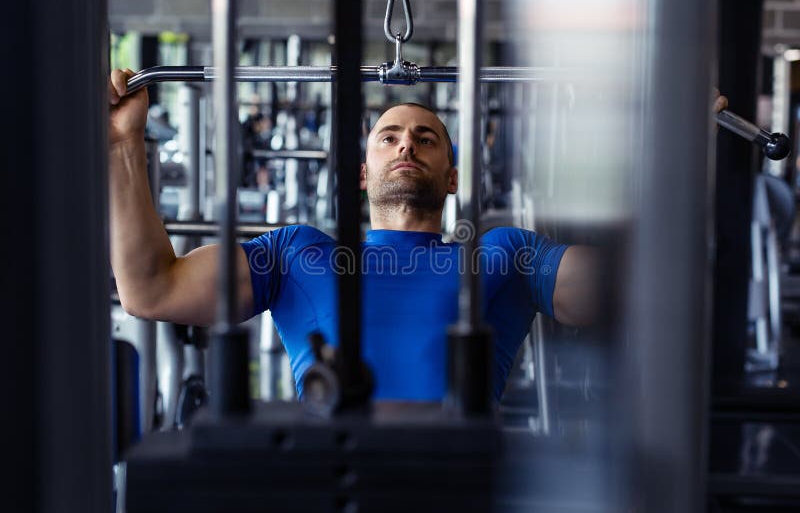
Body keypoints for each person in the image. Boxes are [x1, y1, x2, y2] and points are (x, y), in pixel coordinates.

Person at [109, 68, 728, 401]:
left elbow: (641, 288)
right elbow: (152, 290)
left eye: (426, 138)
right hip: (327, 480)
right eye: (390, 136)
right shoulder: (298, 253)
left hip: (456, 487)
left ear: (452, 175)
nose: (407, 142)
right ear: (363, 172)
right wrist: (122, 144)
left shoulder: (503, 255)